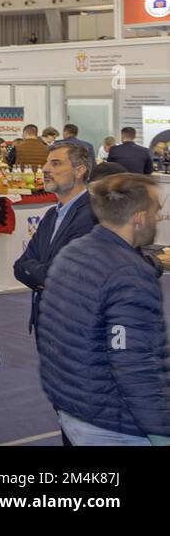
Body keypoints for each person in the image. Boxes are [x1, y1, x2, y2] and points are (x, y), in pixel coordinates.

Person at [39, 173, 170, 445]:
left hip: (74, 408)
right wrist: (160, 434)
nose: (158, 217)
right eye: (156, 210)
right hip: (114, 425)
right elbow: (134, 365)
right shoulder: (130, 274)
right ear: (139, 217)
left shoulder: (73, 253)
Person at [12, 143, 96, 334]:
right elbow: (19, 266)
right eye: (47, 163)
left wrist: (38, 272)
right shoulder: (52, 215)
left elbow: (65, 276)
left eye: (56, 163)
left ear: (79, 171)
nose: (45, 169)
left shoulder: (91, 215)